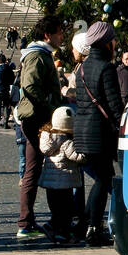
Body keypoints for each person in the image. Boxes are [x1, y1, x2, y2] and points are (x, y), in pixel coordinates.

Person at [16, 16, 66, 240]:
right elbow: (30, 86)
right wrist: (49, 107)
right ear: (48, 35)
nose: (62, 36)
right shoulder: (37, 55)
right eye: (59, 32)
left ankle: (27, 221)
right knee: (39, 169)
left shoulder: (40, 54)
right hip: (38, 119)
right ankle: (29, 222)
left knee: (33, 169)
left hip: (36, 117)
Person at [74, 21, 124, 246]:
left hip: (82, 131)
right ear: (107, 43)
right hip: (100, 134)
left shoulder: (83, 67)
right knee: (104, 180)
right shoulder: (106, 68)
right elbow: (113, 105)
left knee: (101, 179)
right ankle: (93, 228)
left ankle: (84, 224)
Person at [40, 105, 87, 245]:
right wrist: (86, 154)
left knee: (56, 210)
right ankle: (62, 235)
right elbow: (78, 157)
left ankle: (52, 227)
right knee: (66, 210)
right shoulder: (67, 142)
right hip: (65, 182)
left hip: (51, 184)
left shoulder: (47, 137)